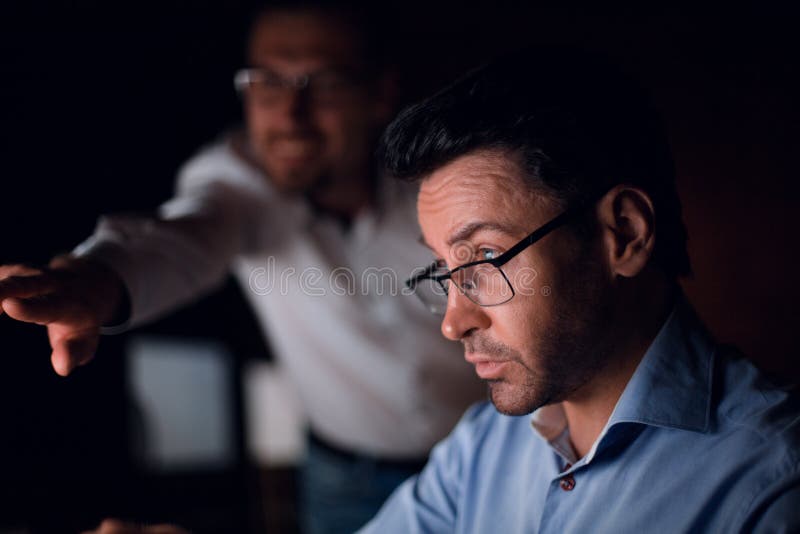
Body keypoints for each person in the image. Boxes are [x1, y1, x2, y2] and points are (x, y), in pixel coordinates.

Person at [0, 4, 483, 533]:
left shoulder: (449, 179)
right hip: (345, 480)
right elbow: (178, 238)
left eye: (323, 84)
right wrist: (97, 279)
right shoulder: (234, 182)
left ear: (380, 92)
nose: (291, 115)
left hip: (494, 458)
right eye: (267, 82)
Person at [358, 48, 800, 532]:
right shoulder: (481, 447)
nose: (453, 321)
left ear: (624, 233)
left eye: (484, 258)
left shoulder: (771, 483)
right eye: (444, 267)